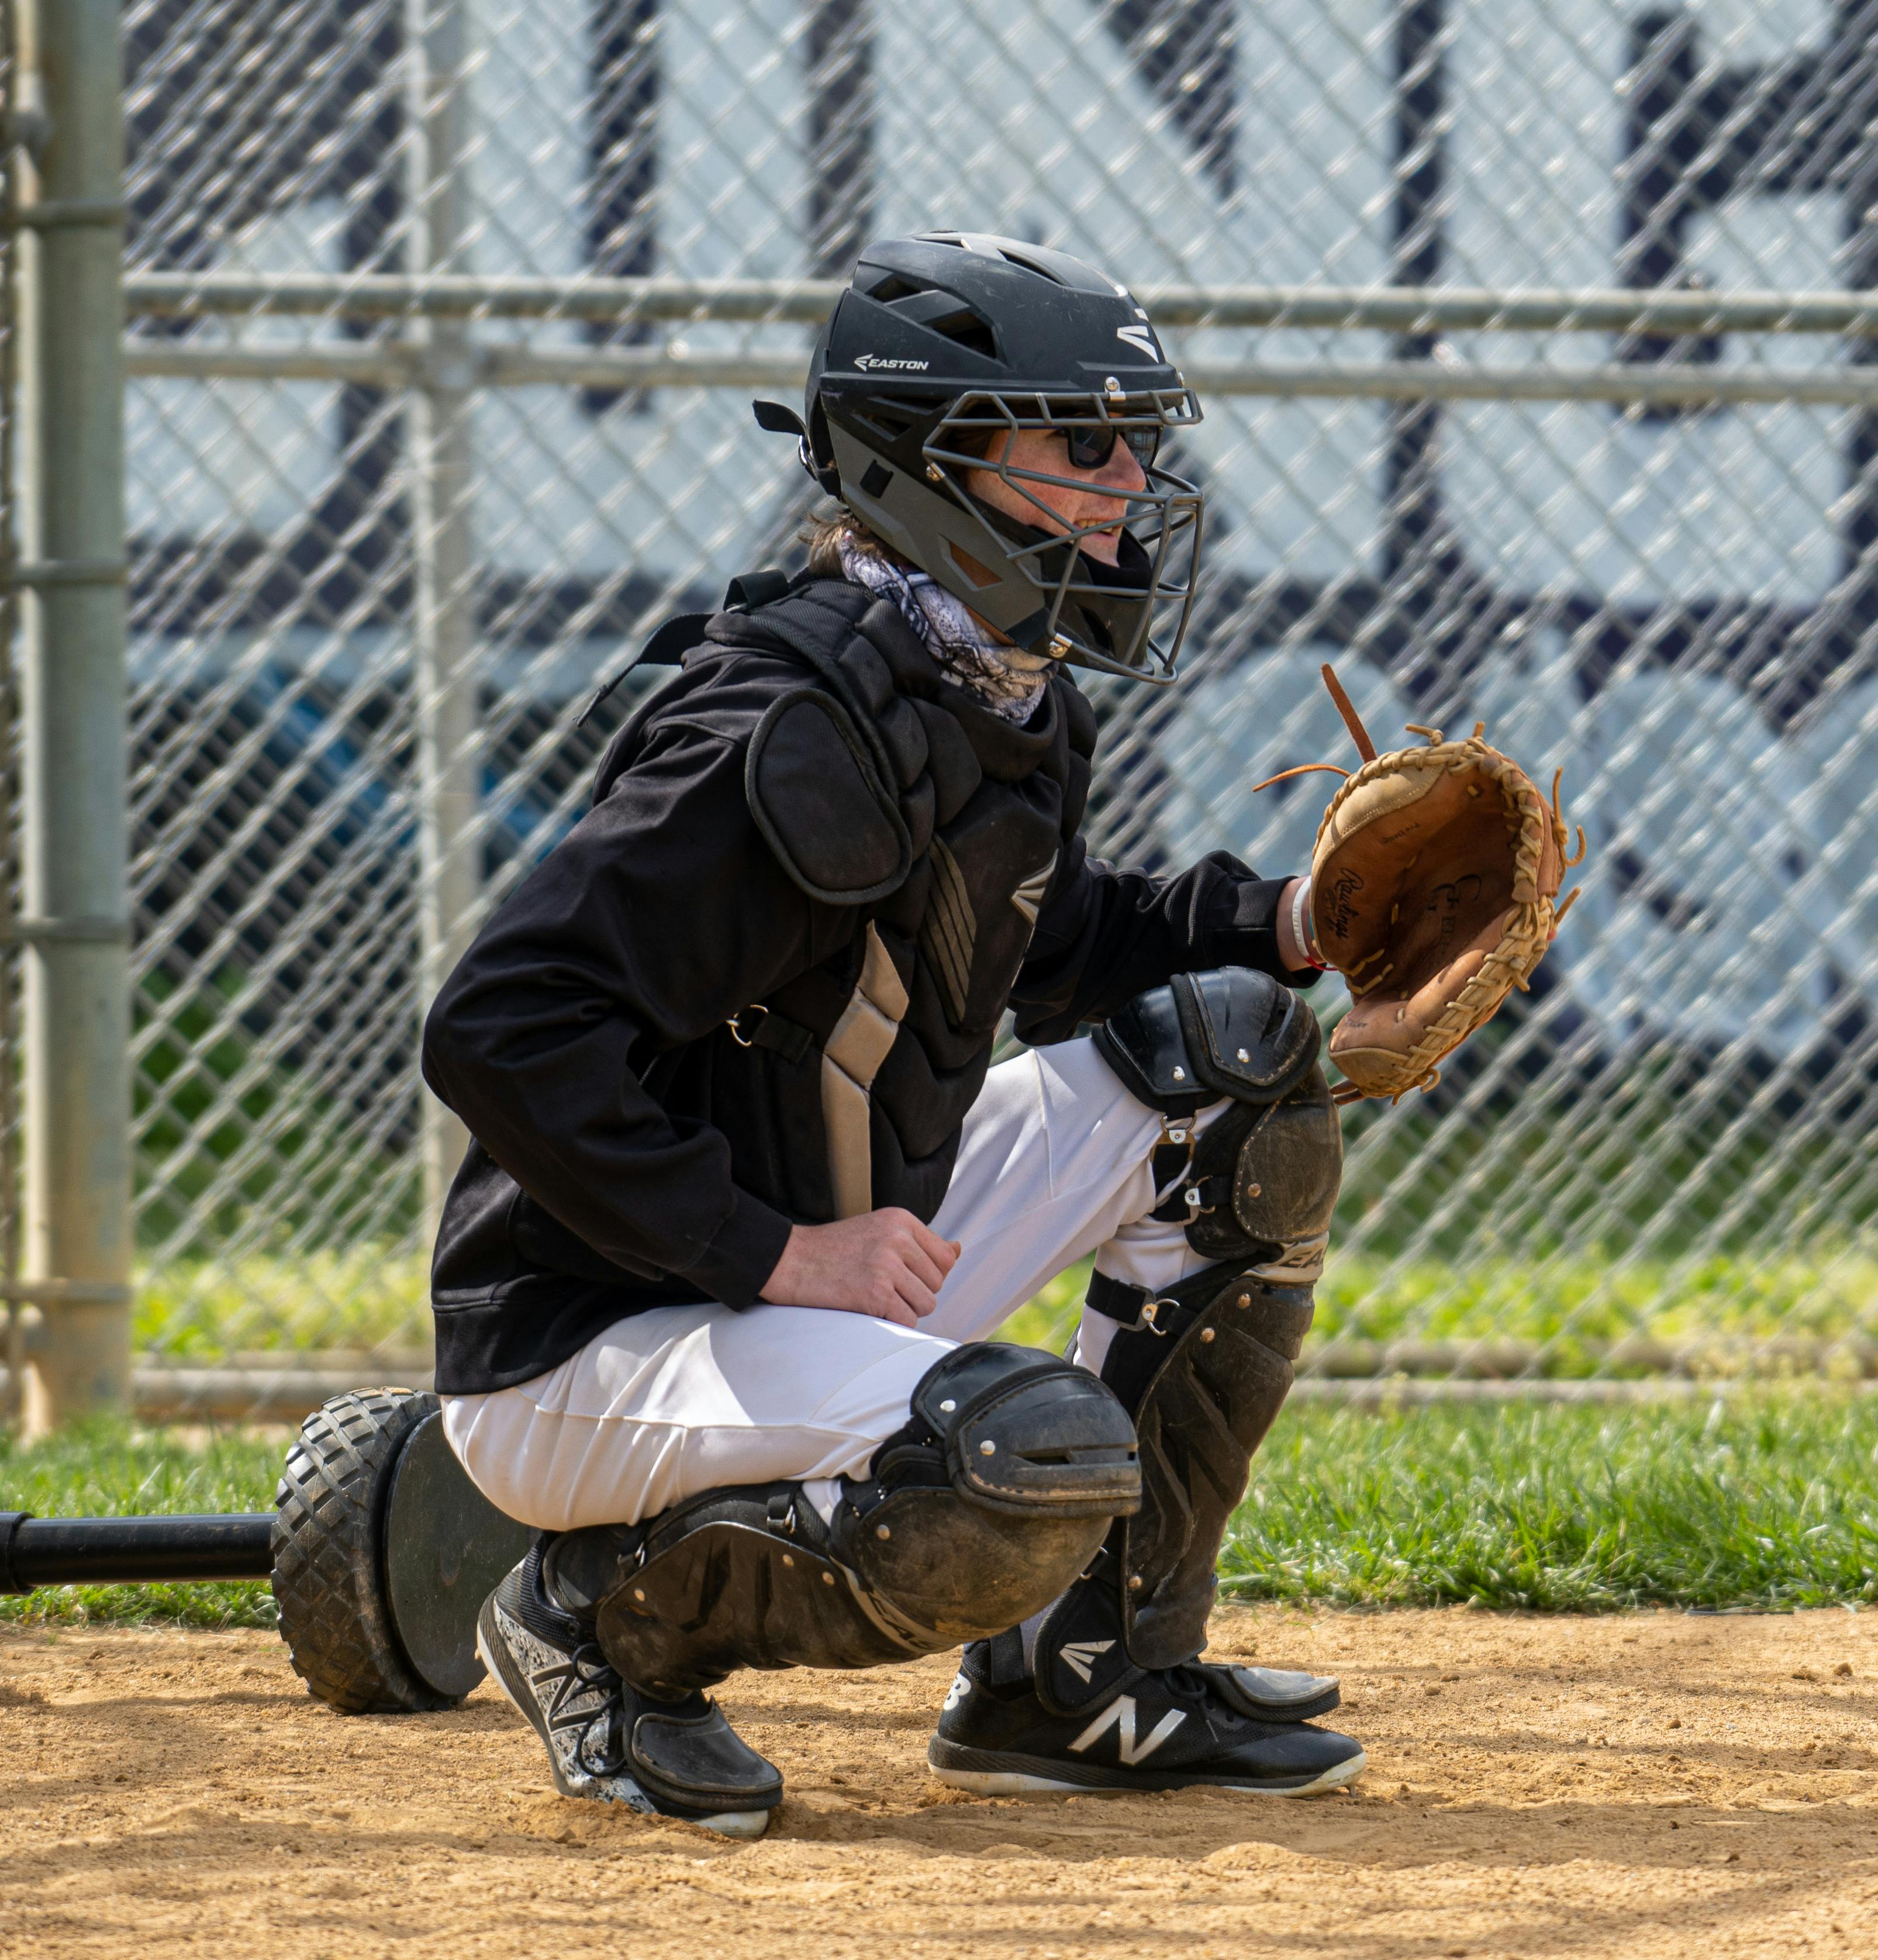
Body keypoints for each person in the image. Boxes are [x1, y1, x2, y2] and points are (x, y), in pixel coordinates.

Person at [421, 232, 1365, 1838]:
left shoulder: (977, 685)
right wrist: (772, 1250)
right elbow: (501, 1027)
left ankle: (1076, 1683)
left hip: (822, 1271)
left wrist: (1297, 922)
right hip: (593, 1349)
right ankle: (591, 1621)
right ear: (926, 464)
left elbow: (1038, 940)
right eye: (1081, 442)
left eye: (1133, 441)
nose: (1130, 480)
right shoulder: (777, 731)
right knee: (1023, 1458)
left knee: (1233, 1071)